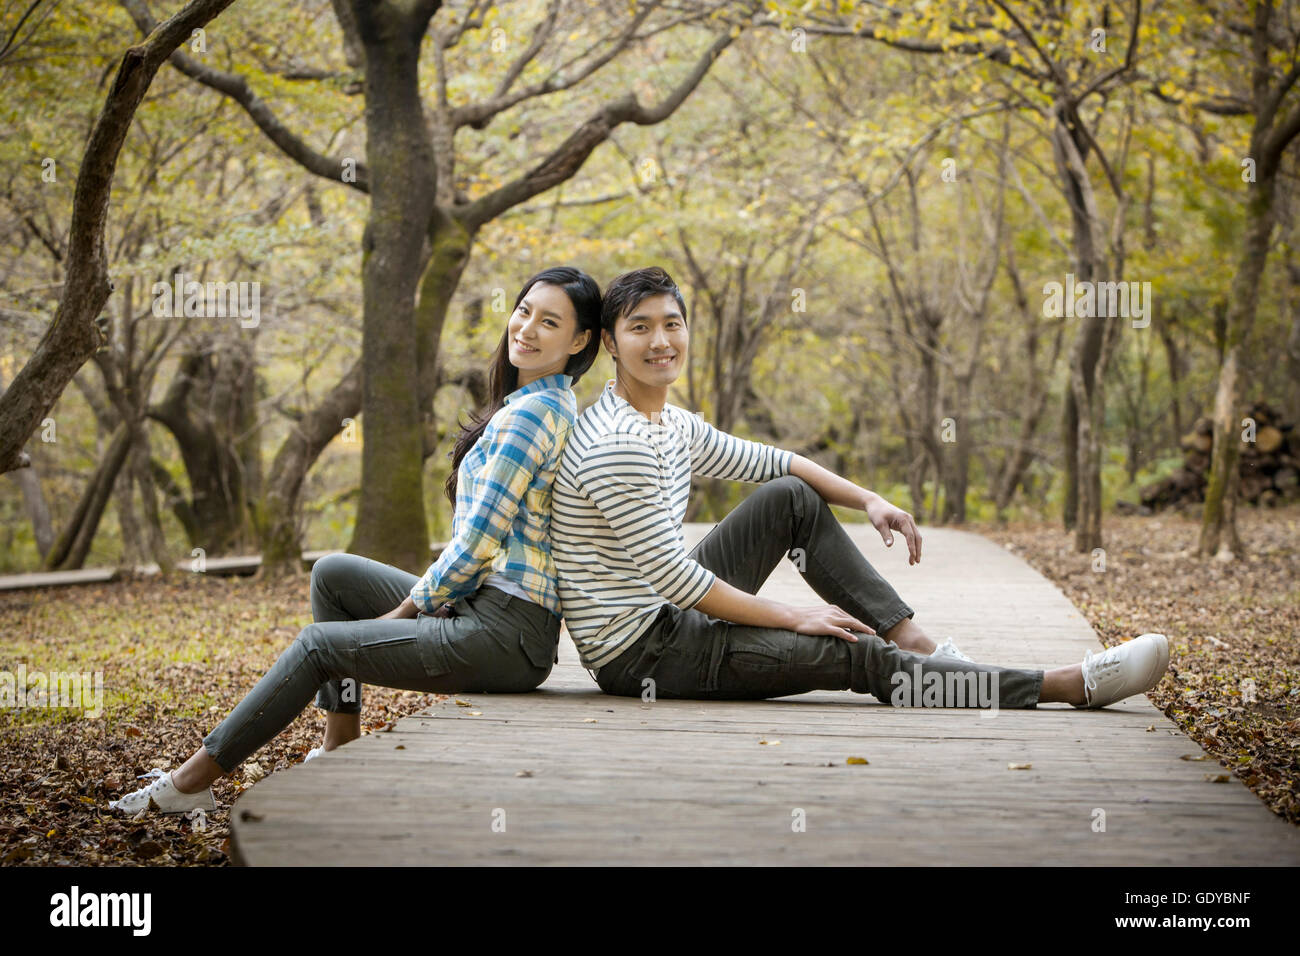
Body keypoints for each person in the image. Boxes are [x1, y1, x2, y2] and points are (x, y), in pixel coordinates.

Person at [550, 266, 1170, 709]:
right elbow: (679, 583)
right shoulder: (616, 443)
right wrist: (799, 617)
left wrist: (869, 499)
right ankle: (1065, 684)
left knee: (790, 497)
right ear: (610, 342)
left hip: (669, 612)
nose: (661, 341)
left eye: (672, 324)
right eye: (640, 328)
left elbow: (776, 463)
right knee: (856, 653)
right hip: (642, 652)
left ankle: (921, 645)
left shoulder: (667, 421)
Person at [109, 266, 602, 815]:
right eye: (523, 310)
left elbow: (476, 546)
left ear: (579, 340)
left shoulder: (531, 415)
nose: (526, 328)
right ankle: (339, 745)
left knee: (320, 645)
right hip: (494, 614)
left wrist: (405, 613)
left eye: (549, 322)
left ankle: (188, 784)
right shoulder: (534, 403)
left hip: (504, 632)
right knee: (334, 575)